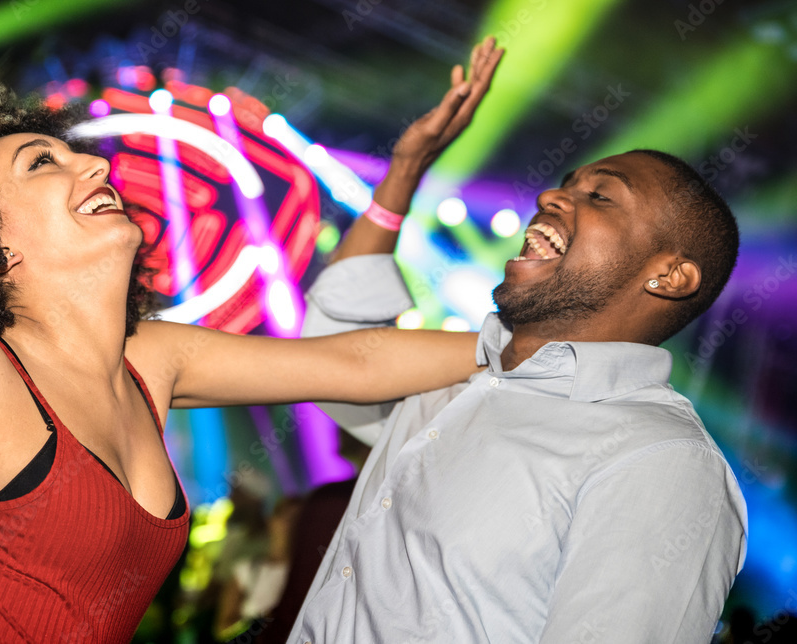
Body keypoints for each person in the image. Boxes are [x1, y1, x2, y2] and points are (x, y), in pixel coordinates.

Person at [0, 62, 495, 642]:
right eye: (43, 162)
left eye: (76, 151)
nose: (96, 164)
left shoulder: (152, 359)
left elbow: (356, 364)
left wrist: (536, 337)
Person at [292, 36, 747, 643]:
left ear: (668, 275)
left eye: (601, 196)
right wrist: (403, 173)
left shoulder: (659, 460)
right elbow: (331, 349)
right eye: (568, 182)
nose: (549, 196)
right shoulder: (458, 391)